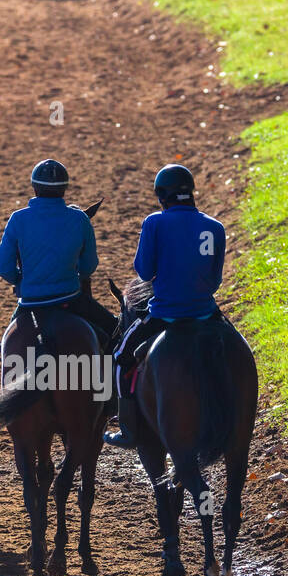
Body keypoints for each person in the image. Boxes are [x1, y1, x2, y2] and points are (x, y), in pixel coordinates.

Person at [104, 164, 226, 449]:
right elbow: (215, 280)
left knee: (121, 356)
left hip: (165, 314)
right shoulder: (215, 227)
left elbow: (144, 273)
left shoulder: (154, 223)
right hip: (206, 313)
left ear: (161, 195)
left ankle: (127, 429)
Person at [0, 159, 118, 344]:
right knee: (116, 333)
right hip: (70, 298)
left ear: (34, 188)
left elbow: (4, 268)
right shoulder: (80, 219)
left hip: (29, 303)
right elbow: (89, 265)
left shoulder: (18, 219)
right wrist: (76, 276)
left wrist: (23, 280)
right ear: (64, 189)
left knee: (6, 347)